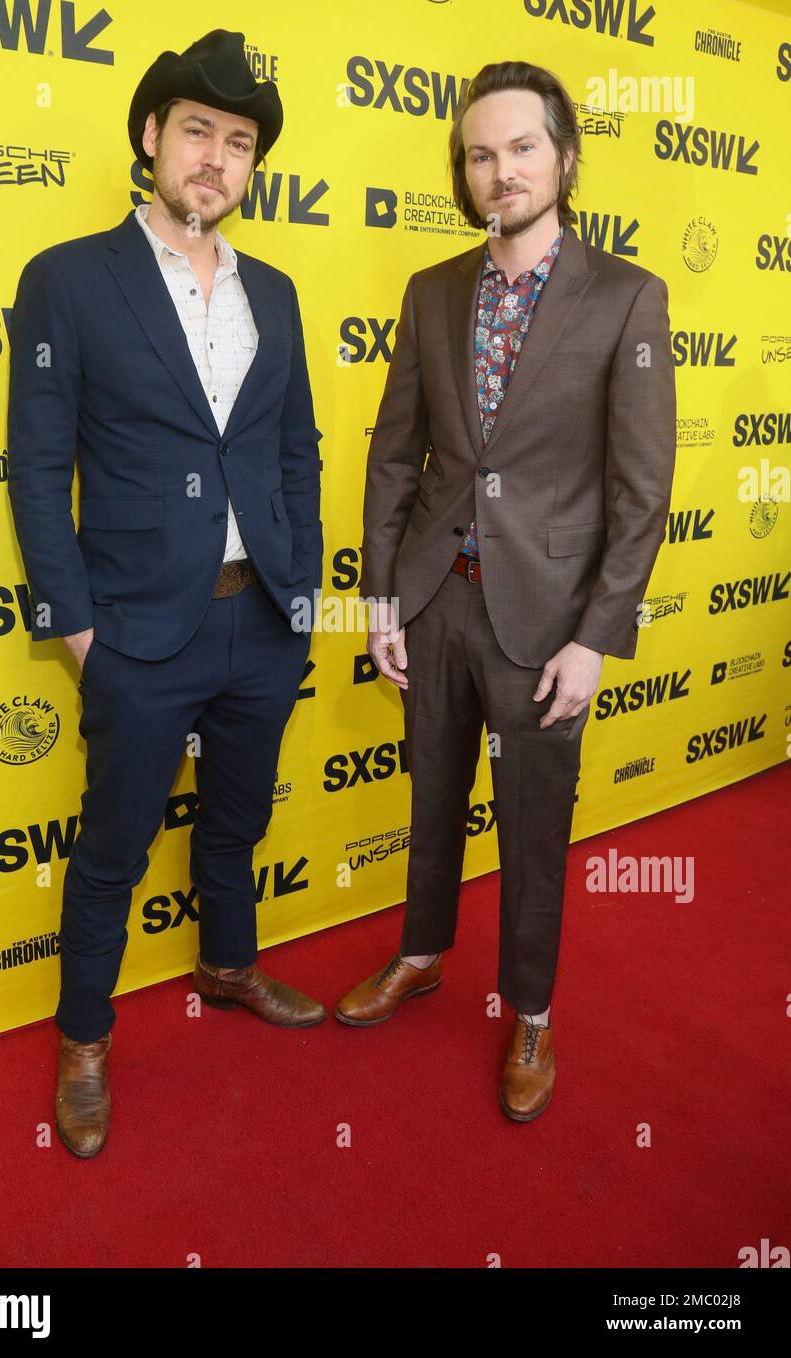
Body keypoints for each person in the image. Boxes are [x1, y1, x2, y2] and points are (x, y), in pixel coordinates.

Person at [338, 60, 676, 1123]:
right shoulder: (430, 291)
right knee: (430, 800)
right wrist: (383, 599)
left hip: (546, 624)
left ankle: (529, 1007)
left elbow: (643, 487)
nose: (501, 171)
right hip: (435, 598)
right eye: (480, 155)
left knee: (533, 826)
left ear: (564, 158)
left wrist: (596, 638)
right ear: (463, 171)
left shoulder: (626, 296)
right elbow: (395, 457)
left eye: (522, 147)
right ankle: (423, 952)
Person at [7, 30, 324, 1159]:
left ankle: (228, 965)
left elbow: (296, 453)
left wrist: (304, 593)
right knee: (112, 851)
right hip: (135, 633)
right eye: (197, 130)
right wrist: (80, 630)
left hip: (263, 620)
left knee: (236, 823)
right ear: (150, 139)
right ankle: (85, 1040)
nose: (216, 159)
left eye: (239, 143)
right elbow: (40, 469)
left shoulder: (277, 294)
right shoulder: (67, 279)